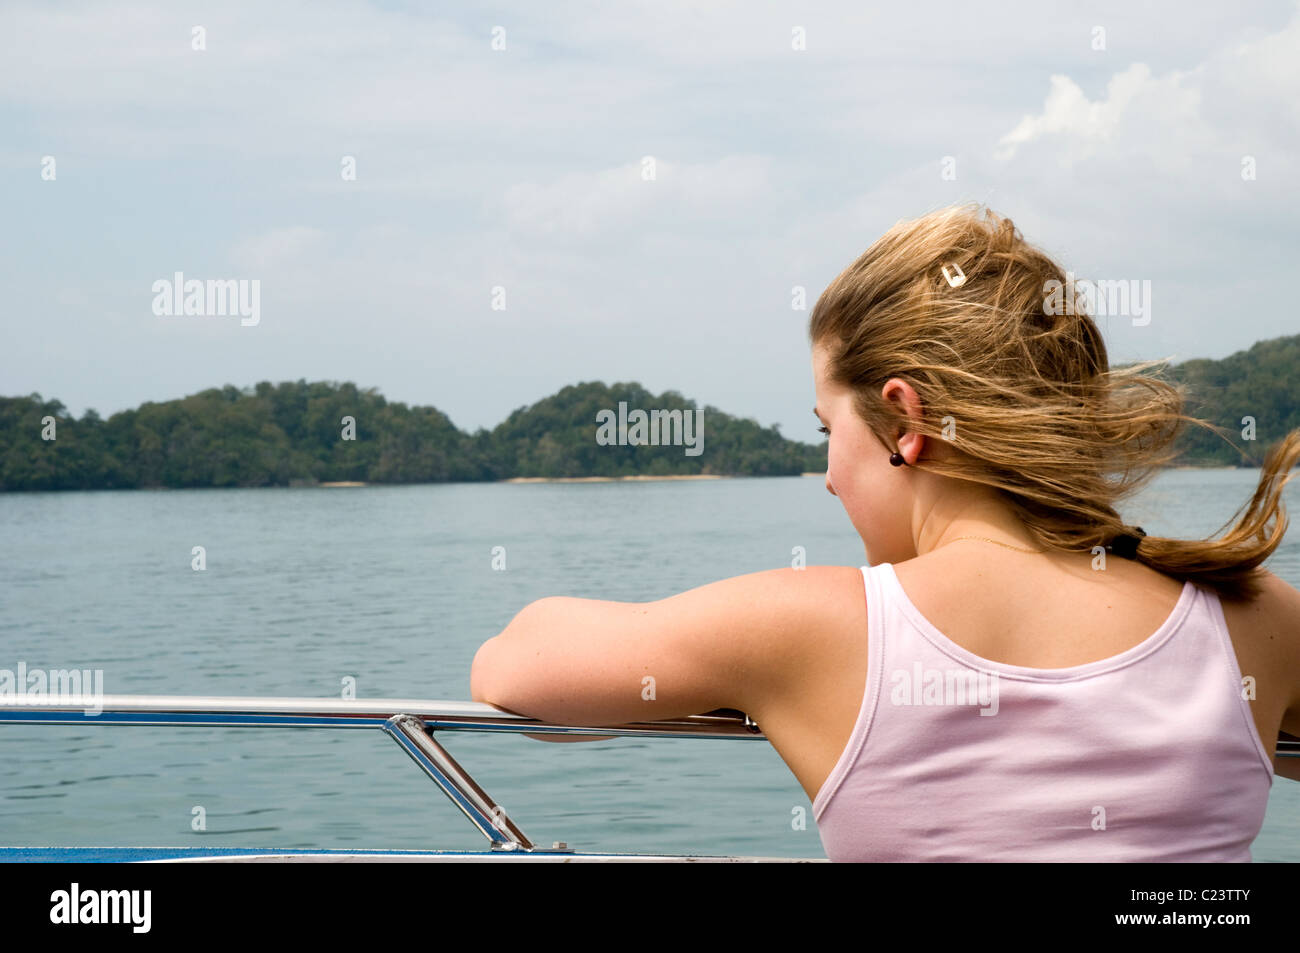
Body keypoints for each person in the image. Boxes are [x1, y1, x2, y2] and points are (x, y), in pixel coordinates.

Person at [470, 204, 1300, 861]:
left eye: (827, 427)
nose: (830, 473)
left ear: (904, 419)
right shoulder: (1250, 613)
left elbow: (516, 667)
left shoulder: (817, 625)